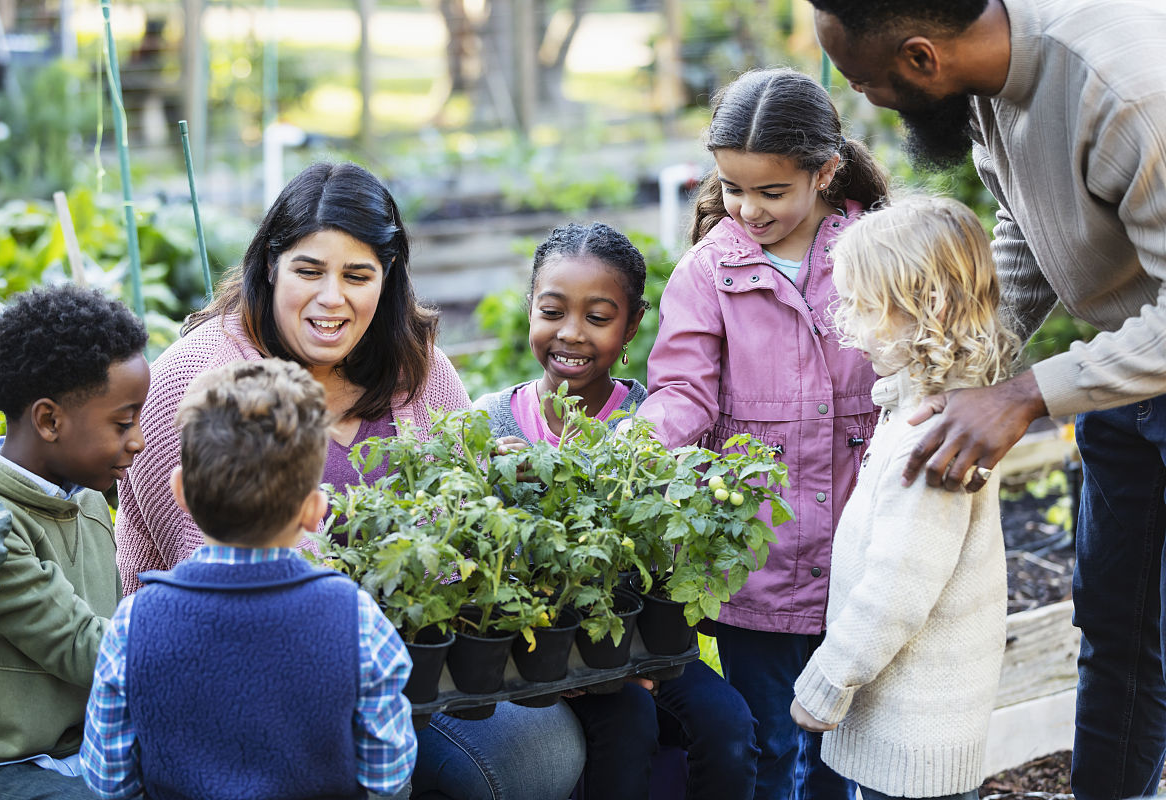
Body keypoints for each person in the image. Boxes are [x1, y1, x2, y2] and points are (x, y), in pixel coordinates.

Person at [114, 161, 585, 800]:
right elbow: (214, 564)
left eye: (357, 275)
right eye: (309, 271)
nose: (332, 298)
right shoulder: (198, 378)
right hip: (255, 675)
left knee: (550, 748)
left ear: (386, 280)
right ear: (270, 266)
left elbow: (461, 533)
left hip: (414, 659)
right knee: (520, 762)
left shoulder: (420, 372)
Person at [805, 2, 1166, 796]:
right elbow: (1028, 223)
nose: (866, 100)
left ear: (923, 58)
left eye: (866, 79)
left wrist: (1026, 393)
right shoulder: (989, 87)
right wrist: (958, 361)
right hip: (1124, 365)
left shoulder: (1131, 91)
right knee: (1116, 627)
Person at [632, 67, 890, 800]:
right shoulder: (709, 272)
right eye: (733, 187)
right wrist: (647, 449)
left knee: (845, 749)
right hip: (758, 565)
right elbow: (682, 389)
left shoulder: (875, 256)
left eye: (771, 191)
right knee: (771, 745)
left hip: (857, 560)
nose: (747, 208)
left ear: (825, 169)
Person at [474, 221, 759, 800]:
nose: (571, 334)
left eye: (599, 318)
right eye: (552, 312)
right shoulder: (492, 423)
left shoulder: (653, 423)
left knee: (728, 726)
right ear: (531, 309)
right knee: (626, 722)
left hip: (642, 645)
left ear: (632, 326)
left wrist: (636, 658)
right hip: (534, 652)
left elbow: (674, 553)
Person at [81, 358, 417, 799]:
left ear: (180, 490)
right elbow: (388, 774)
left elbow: (108, 779)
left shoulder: (133, 624)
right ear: (315, 510)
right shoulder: (357, 618)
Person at [789, 195, 1017, 800]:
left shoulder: (934, 439)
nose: (850, 328)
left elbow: (899, 584)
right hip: (906, 719)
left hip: (918, 729)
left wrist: (830, 678)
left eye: (864, 308)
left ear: (929, 307)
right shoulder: (923, 410)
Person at [0, 285, 150, 798]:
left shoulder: (87, 499)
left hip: (82, 748)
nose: (137, 440)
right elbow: (81, 646)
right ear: (50, 420)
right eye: (123, 422)